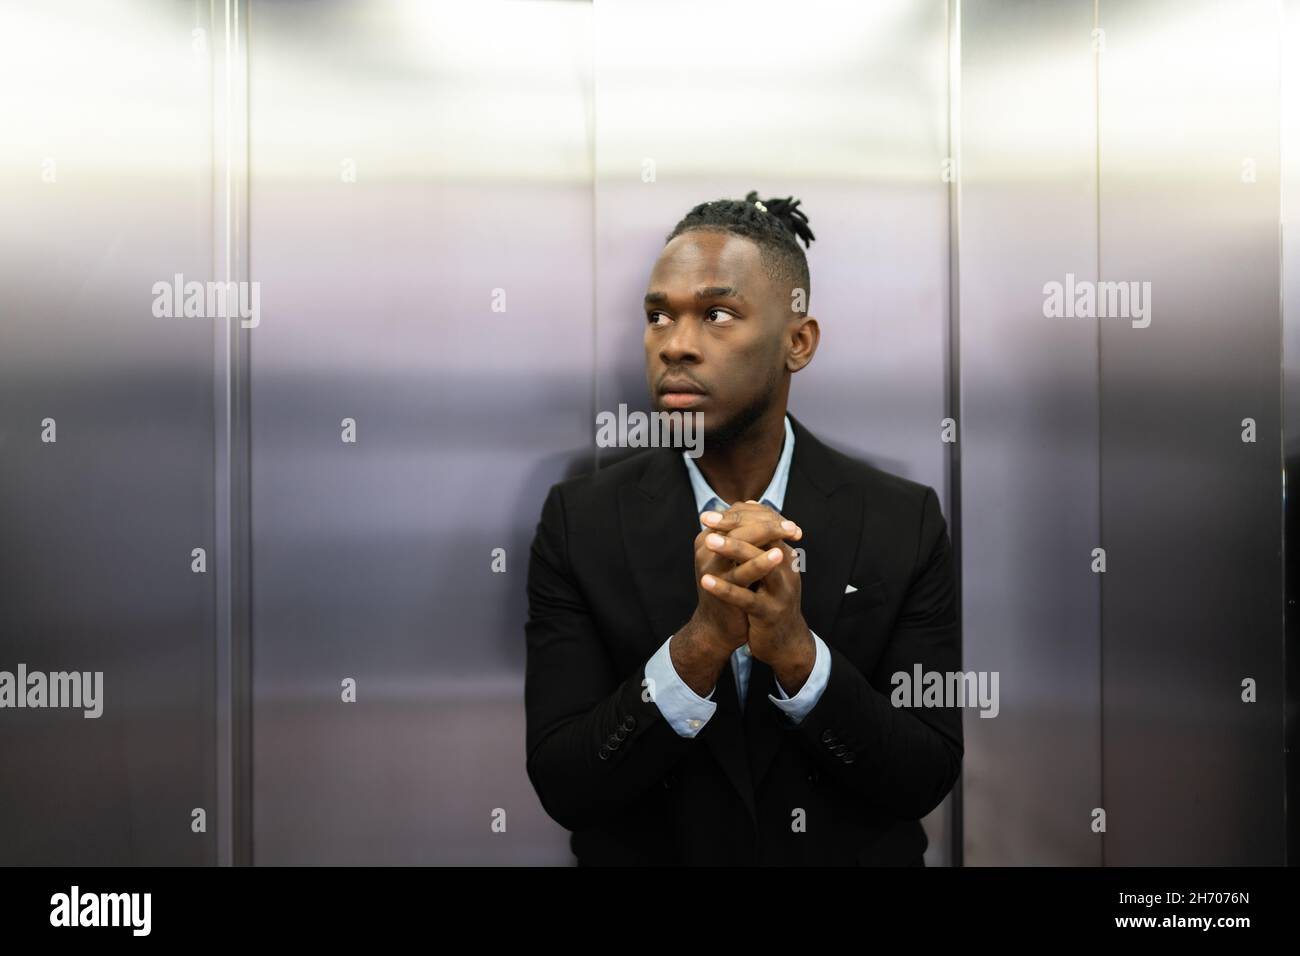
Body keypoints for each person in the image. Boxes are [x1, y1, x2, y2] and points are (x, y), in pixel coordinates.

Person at [524, 191, 962, 865]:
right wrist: (697, 648)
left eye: (717, 314)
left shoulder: (903, 521)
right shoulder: (579, 522)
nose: (675, 345)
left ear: (797, 341)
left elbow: (924, 774)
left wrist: (796, 653)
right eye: (657, 316)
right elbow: (565, 783)